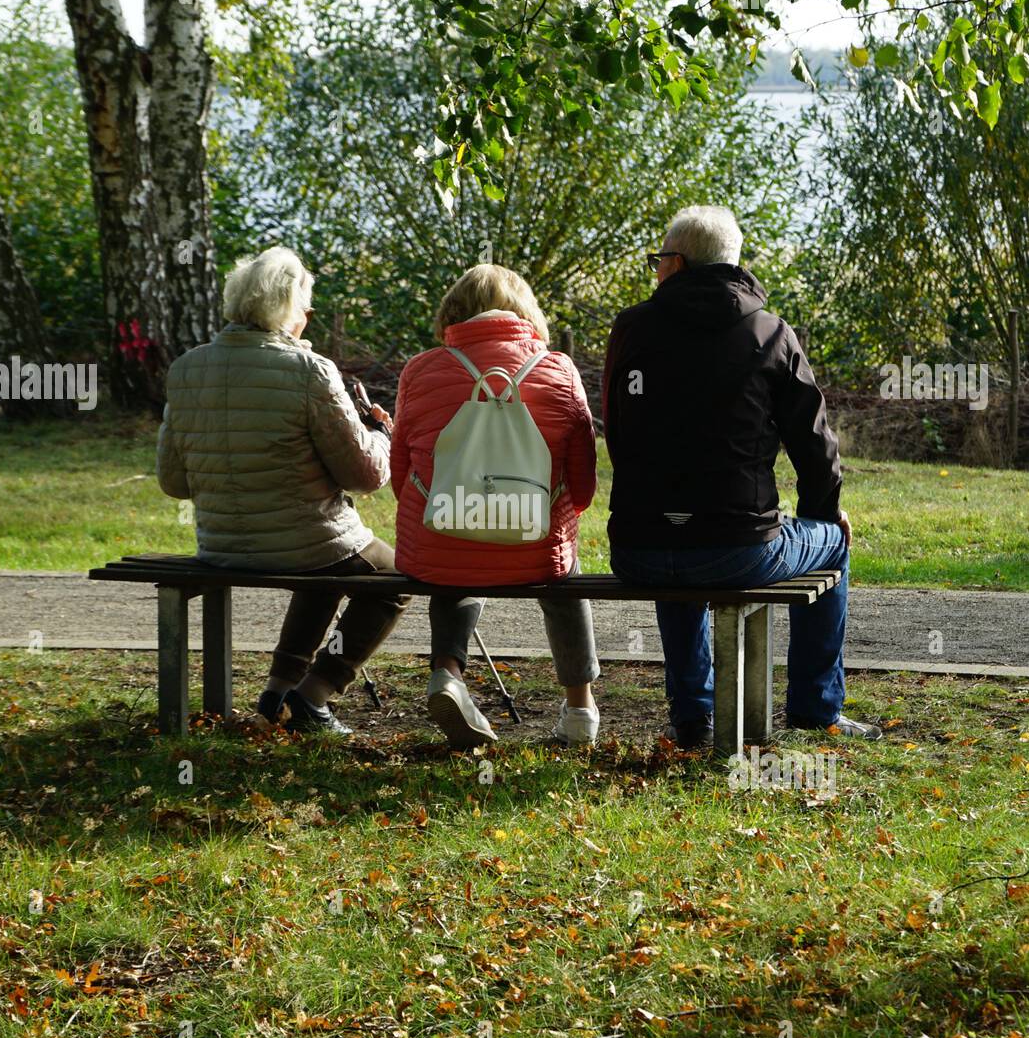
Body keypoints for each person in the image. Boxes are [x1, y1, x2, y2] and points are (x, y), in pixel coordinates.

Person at [603, 205, 880, 748]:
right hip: (739, 547)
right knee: (833, 542)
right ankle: (815, 707)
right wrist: (824, 514)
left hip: (637, 546)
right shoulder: (770, 333)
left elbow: (618, 430)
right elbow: (815, 442)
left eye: (659, 260)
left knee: (673, 531)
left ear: (677, 263)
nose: (656, 269)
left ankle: (693, 716)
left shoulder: (631, 328)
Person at [156, 246, 410, 735]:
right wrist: (382, 435)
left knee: (330, 555)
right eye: (306, 306)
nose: (309, 316)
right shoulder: (309, 371)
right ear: (289, 309)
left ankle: (278, 692)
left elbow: (174, 482)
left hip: (221, 546)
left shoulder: (187, 369)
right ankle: (313, 695)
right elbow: (364, 476)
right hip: (306, 544)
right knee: (391, 575)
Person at [391, 264, 600, 748]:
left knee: (454, 545)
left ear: (454, 312)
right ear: (525, 311)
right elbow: (584, 482)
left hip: (439, 543)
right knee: (563, 576)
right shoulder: (559, 370)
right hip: (533, 546)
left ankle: (447, 673)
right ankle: (580, 710)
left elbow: (402, 475)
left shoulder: (420, 370)